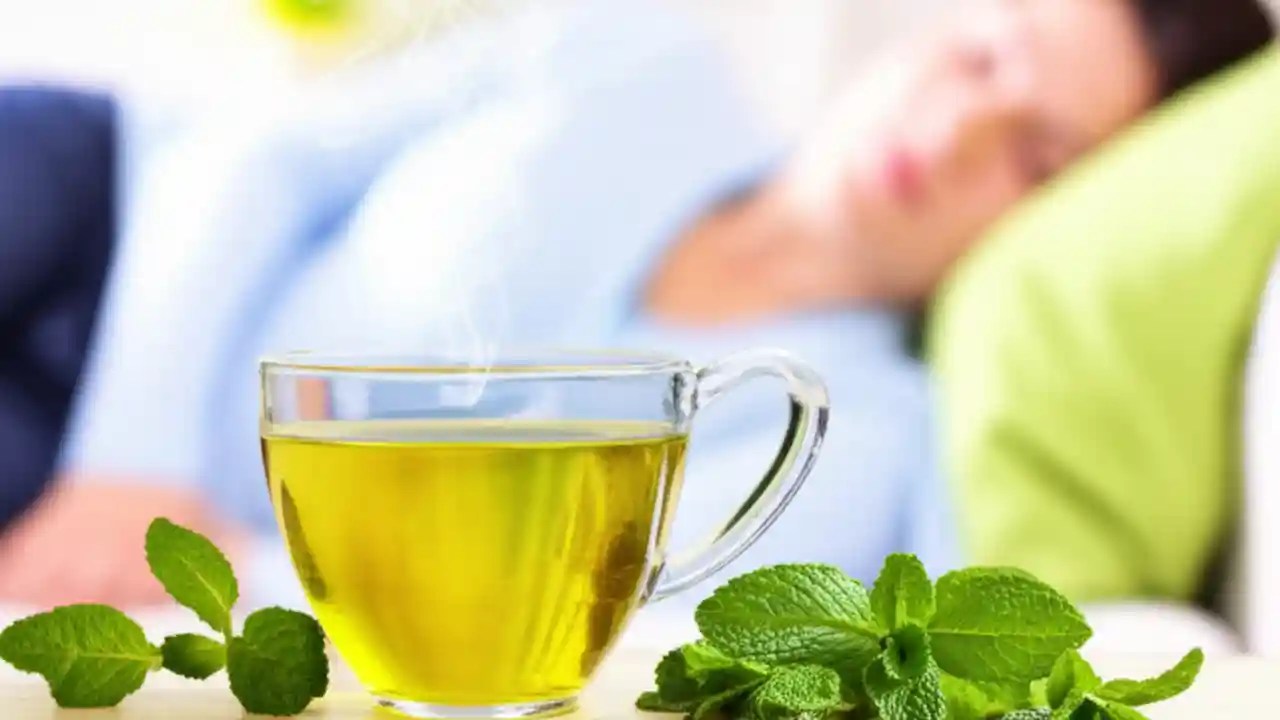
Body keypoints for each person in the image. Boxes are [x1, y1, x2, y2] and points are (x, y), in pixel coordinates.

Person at [0, 0, 1270, 608]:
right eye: (986, 59)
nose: (954, 133)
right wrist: (127, 465)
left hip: (93, 505)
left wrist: (204, 576)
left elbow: (547, 607)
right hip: (112, 229)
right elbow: (253, 156)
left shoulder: (842, 438)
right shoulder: (638, 56)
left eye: (1034, 157)